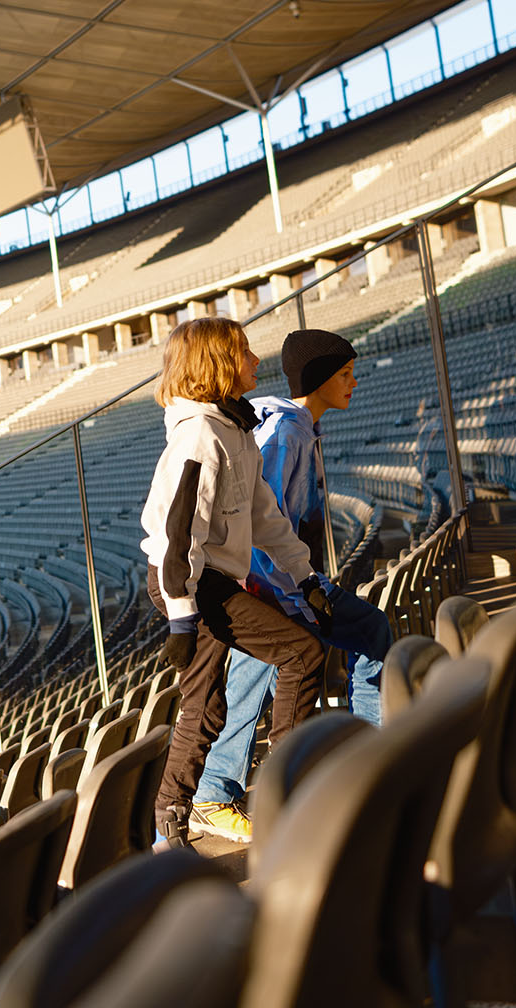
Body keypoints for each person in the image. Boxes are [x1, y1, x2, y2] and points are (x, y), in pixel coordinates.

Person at [189, 329, 396, 842]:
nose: (353, 383)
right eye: (344, 375)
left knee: (262, 670)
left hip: (273, 580)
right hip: (270, 581)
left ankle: (215, 790)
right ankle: (361, 753)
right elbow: (264, 522)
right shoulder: (286, 431)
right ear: (320, 379)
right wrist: (295, 593)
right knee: (364, 633)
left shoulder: (292, 423)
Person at [139, 316, 329, 848]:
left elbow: (265, 516)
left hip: (206, 578)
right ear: (218, 364)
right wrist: (181, 616)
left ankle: (170, 821)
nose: (255, 361)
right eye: (244, 352)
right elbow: (180, 533)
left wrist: (305, 577)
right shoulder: (199, 435)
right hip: (190, 581)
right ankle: (283, 794)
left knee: (206, 703)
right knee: (301, 654)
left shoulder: (234, 427)